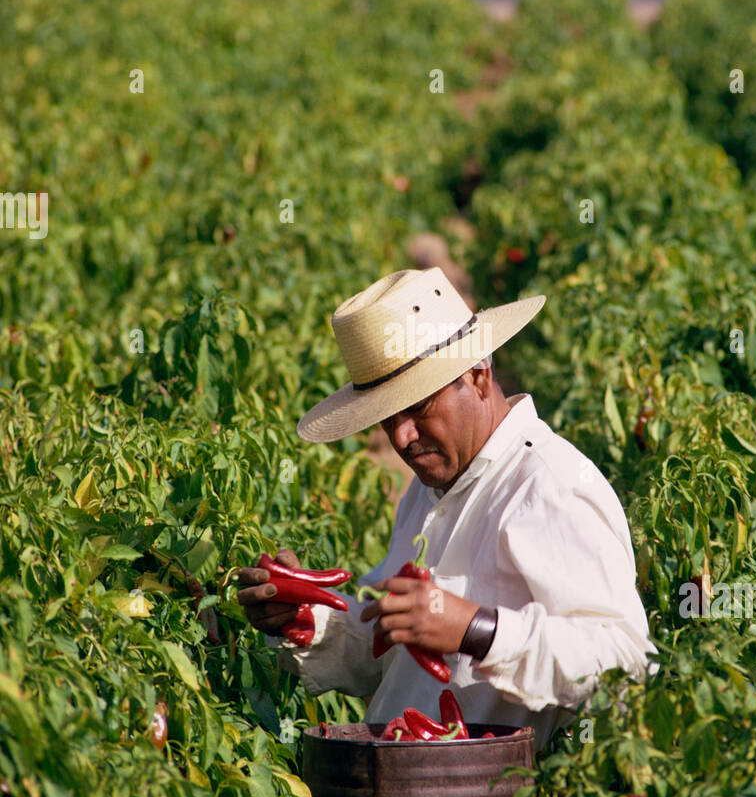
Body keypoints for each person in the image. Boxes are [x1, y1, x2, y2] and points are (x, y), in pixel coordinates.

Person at [237, 266, 656, 750]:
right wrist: (308, 620)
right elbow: (390, 659)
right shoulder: (429, 490)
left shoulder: (548, 486)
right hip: (403, 787)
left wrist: (477, 630)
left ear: (478, 375)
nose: (401, 438)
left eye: (419, 408)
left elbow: (625, 663)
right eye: (388, 420)